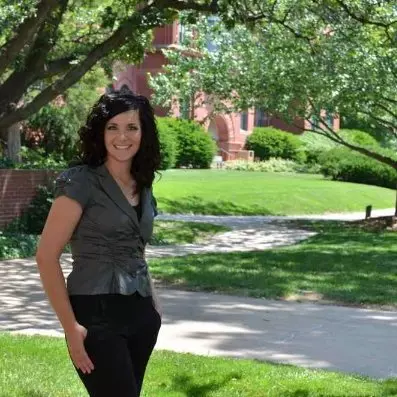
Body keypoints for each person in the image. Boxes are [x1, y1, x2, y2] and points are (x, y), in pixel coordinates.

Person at [36, 89, 162, 397]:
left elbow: (137, 248)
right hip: (95, 315)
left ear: (143, 132)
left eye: (132, 127)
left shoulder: (143, 185)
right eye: (113, 127)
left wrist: (155, 307)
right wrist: (70, 328)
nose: (123, 136)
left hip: (141, 315)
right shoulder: (81, 181)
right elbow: (46, 257)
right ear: (100, 133)